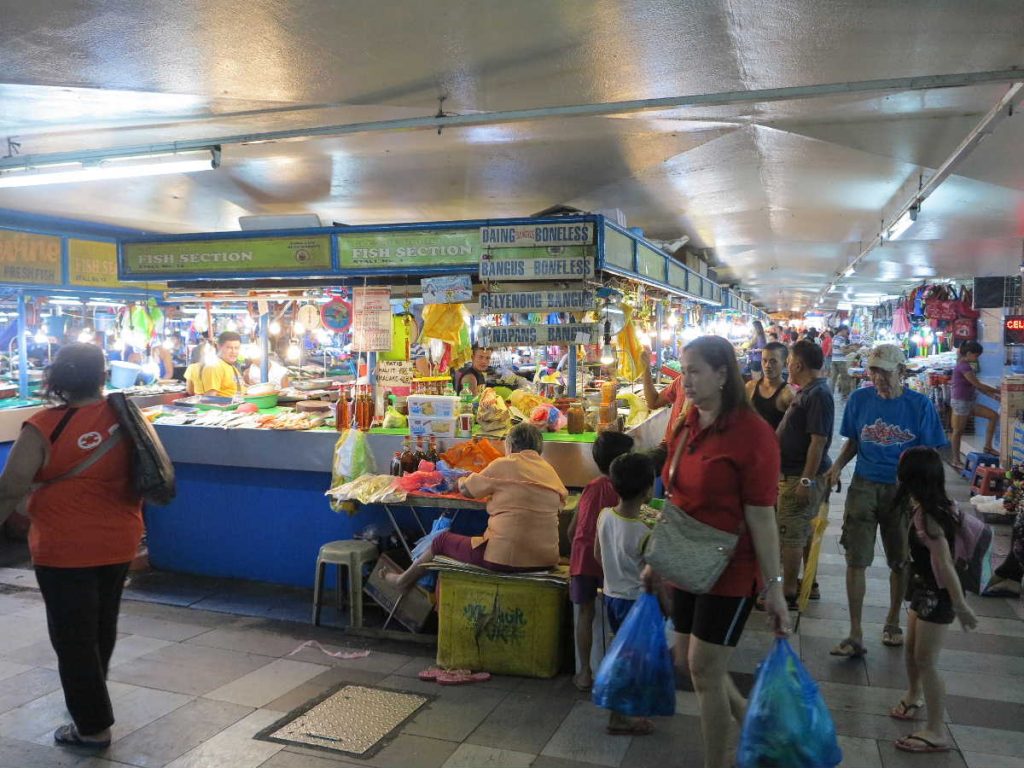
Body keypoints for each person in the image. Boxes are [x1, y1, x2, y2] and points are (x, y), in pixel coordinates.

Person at [647, 335, 789, 768]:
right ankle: (749, 719)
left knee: (705, 669)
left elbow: (763, 517)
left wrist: (776, 587)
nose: (684, 380)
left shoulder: (752, 435)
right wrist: (658, 559)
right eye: (682, 370)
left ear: (722, 374)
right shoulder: (688, 425)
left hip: (731, 568)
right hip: (687, 559)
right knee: (689, 659)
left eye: (693, 371)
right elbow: (675, 498)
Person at [0, 344, 145, 749]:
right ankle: (91, 697)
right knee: (101, 624)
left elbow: (10, 488)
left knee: (72, 636)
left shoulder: (44, 426)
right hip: (119, 540)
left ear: (56, 378)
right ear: (102, 376)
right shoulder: (125, 416)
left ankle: (92, 726)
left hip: (65, 546)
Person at [825, 344, 948, 656]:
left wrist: (925, 497)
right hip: (864, 486)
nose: (877, 376)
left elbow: (930, 454)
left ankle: (893, 620)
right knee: (856, 558)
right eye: (874, 370)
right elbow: (854, 440)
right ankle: (855, 632)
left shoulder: (919, 406)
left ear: (902, 372)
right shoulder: (859, 399)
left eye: (884, 370)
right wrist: (837, 466)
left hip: (902, 491)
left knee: (900, 559)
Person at [384, 423, 566, 589]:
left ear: (510, 446)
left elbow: (467, 489)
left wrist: (459, 480)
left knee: (440, 541)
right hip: (546, 559)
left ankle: (403, 581)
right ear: (539, 449)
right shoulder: (551, 472)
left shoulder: (505, 464)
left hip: (505, 559)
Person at [888, 447, 977, 754]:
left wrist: (961, 606)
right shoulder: (924, 506)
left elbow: (945, 564)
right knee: (913, 652)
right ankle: (914, 695)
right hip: (923, 589)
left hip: (938, 596)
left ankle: (937, 730)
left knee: (927, 660)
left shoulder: (931, 515)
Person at [567, 431, 635, 692]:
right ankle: (615, 673)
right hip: (608, 558)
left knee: (585, 613)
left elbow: (574, 530)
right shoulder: (624, 491)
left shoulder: (591, 487)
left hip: (583, 559)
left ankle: (585, 672)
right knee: (615, 616)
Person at [594, 451, 656, 736]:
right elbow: (653, 576)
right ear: (648, 491)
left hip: (611, 595)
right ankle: (620, 716)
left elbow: (597, 554)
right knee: (632, 658)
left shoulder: (604, 516)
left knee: (623, 653)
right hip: (636, 602)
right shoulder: (645, 531)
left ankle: (625, 710)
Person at [775, 340, 834, 605]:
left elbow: (818, 441)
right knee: (798, 531)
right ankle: (799, 584)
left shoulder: (818, 394)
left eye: (788, 361)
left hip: (799, 474)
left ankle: (788, 590)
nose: (787, 365)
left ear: (798, 364)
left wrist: (805, 480)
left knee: (791, 534)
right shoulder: (808, 390)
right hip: (794, 472)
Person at [949, 340, 1000, 469]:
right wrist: (998, 390)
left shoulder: (966, 365)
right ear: (969, 353)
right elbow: (977, 384)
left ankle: (988, 447)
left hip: (969, 402)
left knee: (993, 416)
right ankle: (955, 460)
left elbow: (976, 386)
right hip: (961, 402)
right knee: (958, 431)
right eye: (976, 356)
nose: (977, 359)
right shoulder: (963, 366)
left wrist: (993, 396)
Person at [745, 342, 793, 430]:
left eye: (773, 361)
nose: (767, 365)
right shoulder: (750, 387)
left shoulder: (788, 394)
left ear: (785, 364)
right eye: (764, 360)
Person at [199, 331, 244, 397]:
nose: (233, 352)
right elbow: (210, 398)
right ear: (219, 346)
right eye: (229, 347)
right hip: (226, 406)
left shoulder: (230, 366)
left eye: (236, 348)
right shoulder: (214, 367)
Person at [829, 325, 858, 398]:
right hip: (841, 361)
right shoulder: (841, 339)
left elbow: (838, 347)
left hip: (834, 359)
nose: (847, 332)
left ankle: (830, 393)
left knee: (833, 378)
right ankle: (845, 394)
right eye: (846, 331)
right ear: (842, 330)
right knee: (845, 378)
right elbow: (843, 351)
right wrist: (853, 350)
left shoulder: (834, 337)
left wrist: (850, 345)